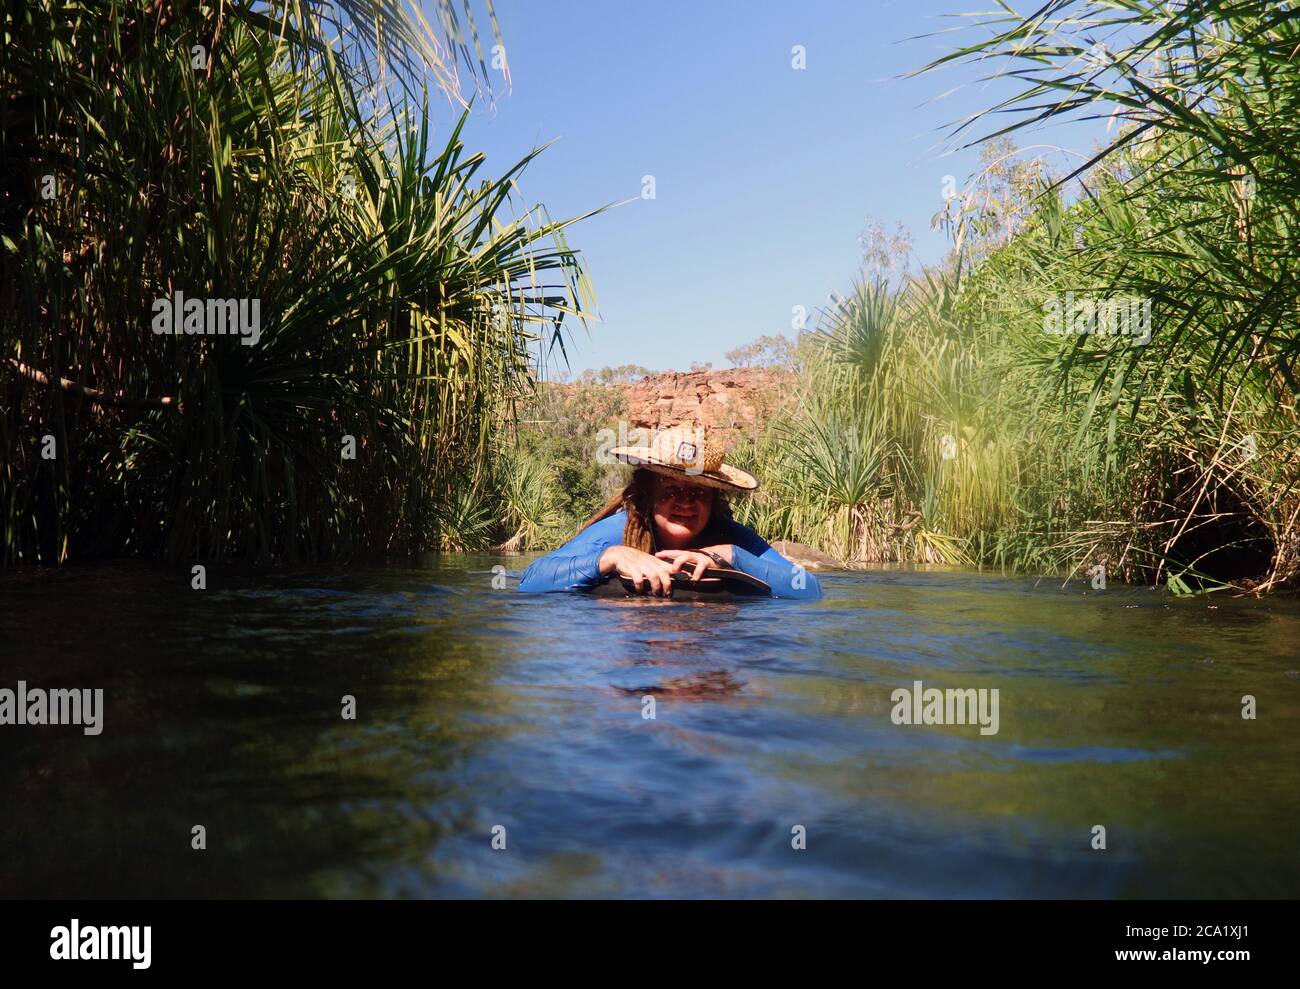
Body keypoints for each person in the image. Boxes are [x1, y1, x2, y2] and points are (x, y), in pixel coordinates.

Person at [519, 426, 822, 600]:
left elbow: (811, 591)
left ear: (713, 500)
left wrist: (732, 556)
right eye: (671, 491)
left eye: (697, 492)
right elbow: (531, 580)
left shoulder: (734, 539)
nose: (685, 503)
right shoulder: (620, 529)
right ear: (649, 496)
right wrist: (611, 557)